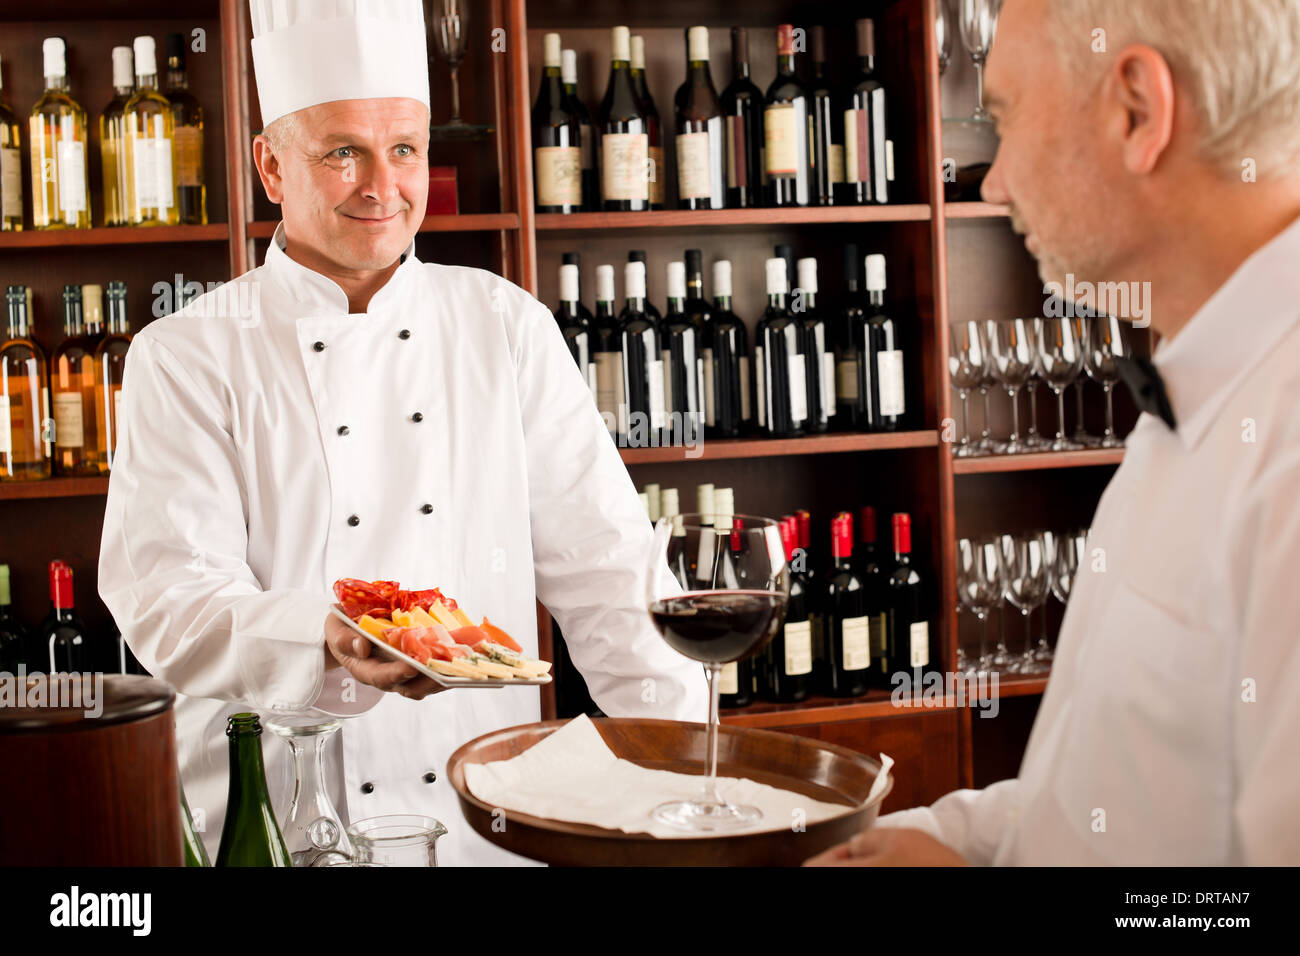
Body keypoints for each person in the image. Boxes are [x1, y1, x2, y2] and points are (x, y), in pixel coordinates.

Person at [98, 0, 706, 866]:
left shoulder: (505, 325)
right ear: (271, 166)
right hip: (279, 820)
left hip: (485, 812)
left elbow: (609, 569)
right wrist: (330, 635)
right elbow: (171, 600)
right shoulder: (186, 354)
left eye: (406, 150)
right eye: (342, 152)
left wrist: (693, 769)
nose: (382, 186)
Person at [808, 0, 1300, 866]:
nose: (991, 183)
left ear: (1137, 111)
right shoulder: (1190, 395)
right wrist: (948, 842)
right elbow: (1107, 784)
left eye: (1004, 117)